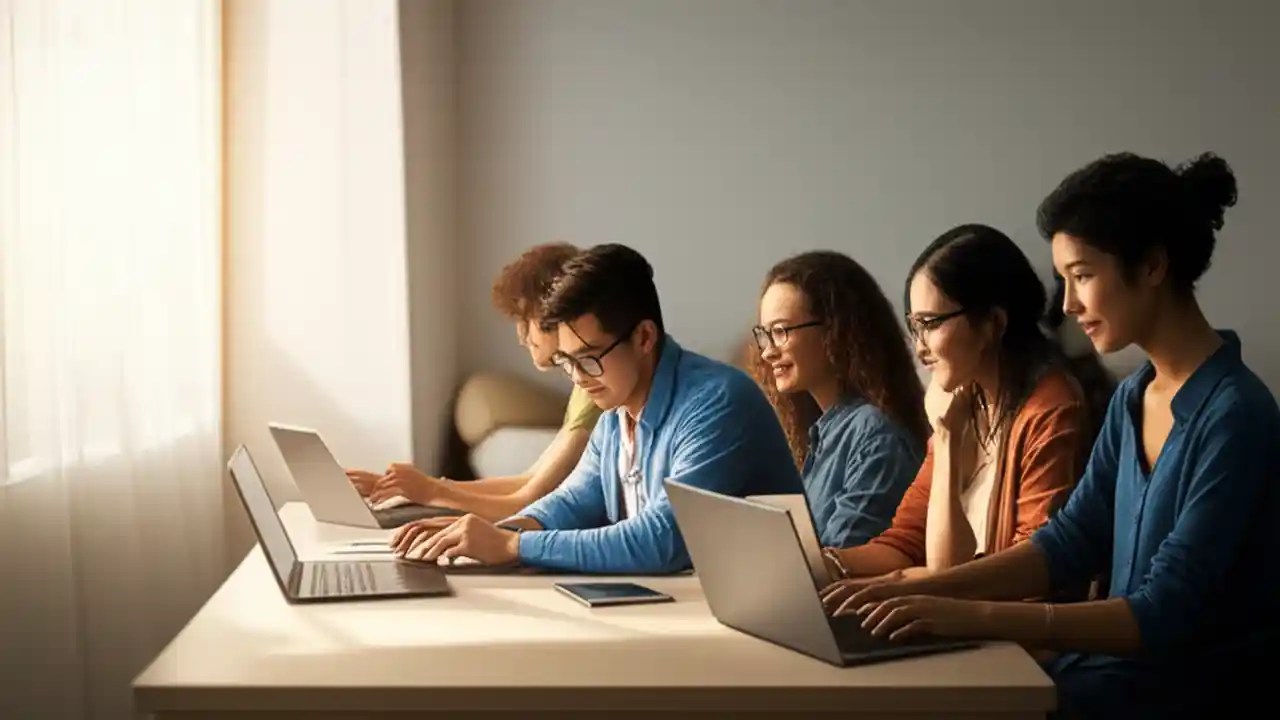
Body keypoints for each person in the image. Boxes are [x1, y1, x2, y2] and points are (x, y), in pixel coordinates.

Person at [829, 153, 1278, 719]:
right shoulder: (1133, 397)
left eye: (1083, 276)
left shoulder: (1236, 415)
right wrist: (920, 593)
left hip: (1178, 697)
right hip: (1108, 681)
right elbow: (1066, 544)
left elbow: (1162, 616)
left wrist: (968, 611)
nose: (1067, 305)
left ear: (1153, 266)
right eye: (1064, 280)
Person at [390, 243, 803, 573]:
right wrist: (488, 534)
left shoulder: (716, 402)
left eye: (588, 358)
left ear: (644, 337)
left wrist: (512, 545)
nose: (578, 377)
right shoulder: (614, 415)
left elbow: (662, 541)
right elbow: (570, 503)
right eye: (567, 362)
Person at [821, 224, 1094, 585]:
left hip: (1014, 637)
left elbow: (970, 576)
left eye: (929, 324)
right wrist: (824, 564)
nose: (919, 347)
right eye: (913, 327)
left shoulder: (1050, 407)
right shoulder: (966, 399)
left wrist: (947, 442)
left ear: (992, 324)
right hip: (953, 619)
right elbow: (903, 543)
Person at [345, 242, 602, 522]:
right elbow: (528, 479)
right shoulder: (583, 386)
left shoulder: (597, 390)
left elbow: (527, 501)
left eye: (525, 318)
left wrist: (430, 490)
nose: (521, 336)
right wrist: (414, 488)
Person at [747, 251, 928, 547]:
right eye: (765, 334)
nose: (767, 352)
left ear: (838, 331)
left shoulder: (876, 433)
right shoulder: (824, 432)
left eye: (781, 331)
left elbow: (842, 556)